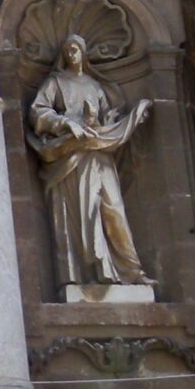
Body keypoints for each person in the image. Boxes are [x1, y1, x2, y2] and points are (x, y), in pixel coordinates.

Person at [26, 32, 151, 290]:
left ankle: (129, 271)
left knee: (113, 208)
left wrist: (124, 120)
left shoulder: (95, 86)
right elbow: (38, 112)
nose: (73, 54)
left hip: (99, 153)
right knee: (83, 213)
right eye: (69, 49)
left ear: (84, 53)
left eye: (76, 49)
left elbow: (106, 119)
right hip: (72, 156)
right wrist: (66, 122)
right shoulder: (56, 82)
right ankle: (87, 276)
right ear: (64, 54)